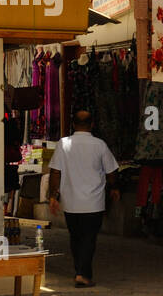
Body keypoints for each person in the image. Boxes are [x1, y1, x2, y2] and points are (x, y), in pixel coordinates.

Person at [48, 110, 120, 287]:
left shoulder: (63, 144)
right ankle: (82, 274)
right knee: (89, 238)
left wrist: (53, 196)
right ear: (92, 124)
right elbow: (111, 171)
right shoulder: (100, 145)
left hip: (71, 202)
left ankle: (79, 271)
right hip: (94, 202)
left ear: (73, 124)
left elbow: (55, 172)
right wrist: (114, 187)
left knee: (75, 237)